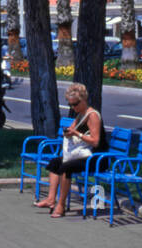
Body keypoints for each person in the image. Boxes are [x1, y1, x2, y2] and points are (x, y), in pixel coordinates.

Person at [34, 83, 106, 218]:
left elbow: (95, 141)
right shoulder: (80, 115)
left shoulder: (93, 116)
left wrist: (77, 134)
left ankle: (60, 205)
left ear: (84, 99)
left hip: (97, 157)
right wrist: (68, 133)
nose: (73, 107)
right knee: (55, 162)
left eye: (76, 104)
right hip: (83, 153)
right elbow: (71, 129)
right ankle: (51, 199)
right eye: (71, 105)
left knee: (66, 167)